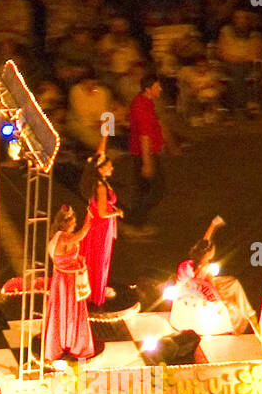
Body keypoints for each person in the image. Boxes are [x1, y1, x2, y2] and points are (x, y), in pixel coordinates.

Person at [169, 216, 256, 335]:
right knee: (234, 292)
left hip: (189, 295)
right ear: (207, 256)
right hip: (202, 298)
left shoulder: (186, 265)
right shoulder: (206, 270)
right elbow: (213, 289)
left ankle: (249, 311)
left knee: (232, 282)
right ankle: (249, 314)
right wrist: (224, 302)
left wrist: (213, 225)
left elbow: (205, 243)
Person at [41, 204, 95, 361]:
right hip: (68, 281)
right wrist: (90, 219)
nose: (75, 225)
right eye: (72, 223)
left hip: (60, 279)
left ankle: (60, 340)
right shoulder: (65, 237)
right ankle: (73, 342)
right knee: (70, 310)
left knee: (59, 310)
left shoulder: (55, 236)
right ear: (64, 223)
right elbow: (82, 234)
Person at [122, 72, 170, 237]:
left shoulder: (144, 102)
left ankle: (136, 223)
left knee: (142, 190)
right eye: (157, 86)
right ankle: (135, 222)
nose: (160, 89)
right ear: (148, 89)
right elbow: (144, 136)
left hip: (144, 153)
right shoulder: (143, 107)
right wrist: (147, 163)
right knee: (156, 190)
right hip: (145, 154)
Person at [78, 134, 123, 307]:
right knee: (100, 258)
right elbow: (103, 213)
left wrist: (104, 134)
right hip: (101, 226)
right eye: (109, 166)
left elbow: (99, 155)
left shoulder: (96, 179)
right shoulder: (101, 187)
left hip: (94, 223)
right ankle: (97, 291)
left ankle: (94, 287)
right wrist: (117, 212)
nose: (111, 168)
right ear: (101, 170)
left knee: (93, 257)